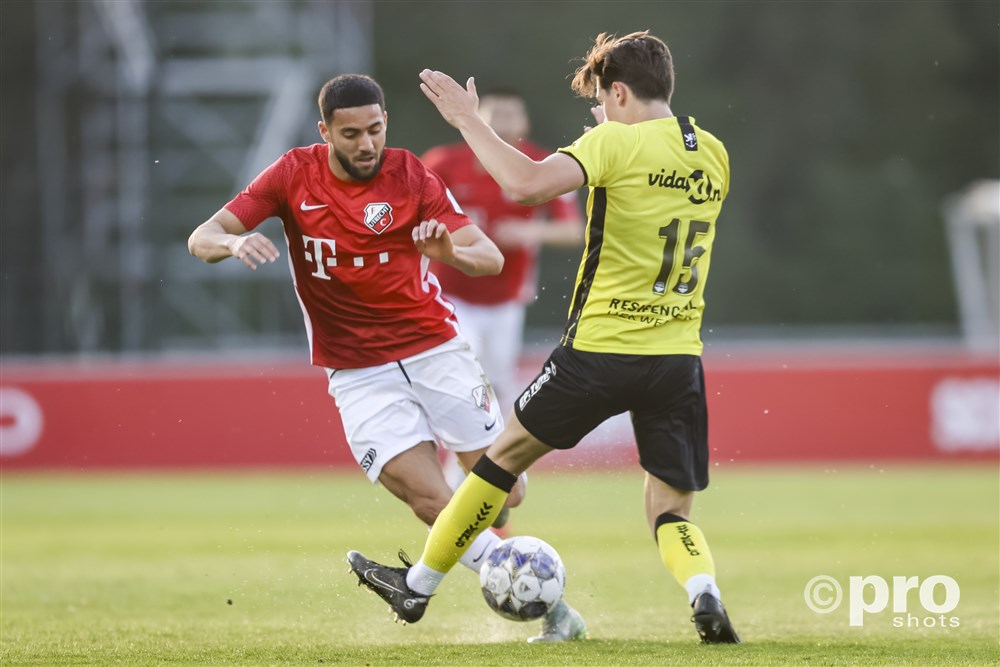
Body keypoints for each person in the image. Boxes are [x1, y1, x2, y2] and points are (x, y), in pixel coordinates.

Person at [347, 32, 740, 644]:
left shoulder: (613, 139)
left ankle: (417, 587)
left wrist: (466, 121)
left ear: (617, 92)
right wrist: (613, 132)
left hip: (602, 350)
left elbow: (525, 185)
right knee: (670, 507)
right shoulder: (712, 151)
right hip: (678, 356)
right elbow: (652, 180)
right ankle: (704, 593)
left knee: (499, 463)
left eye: (605, 100)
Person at [187, 73, 588, 643]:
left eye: (375, 129)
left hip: (435, 351)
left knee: (507, 496)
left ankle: (421, 584)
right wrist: (230, 243)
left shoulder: (410, 173)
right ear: (324, 131)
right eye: (350, 134)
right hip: (357, 374)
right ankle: (547, 606)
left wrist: (449, 250)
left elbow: (489, 255)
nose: (366, 144)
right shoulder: (291, 174)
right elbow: (201, 235)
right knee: (432, 499)